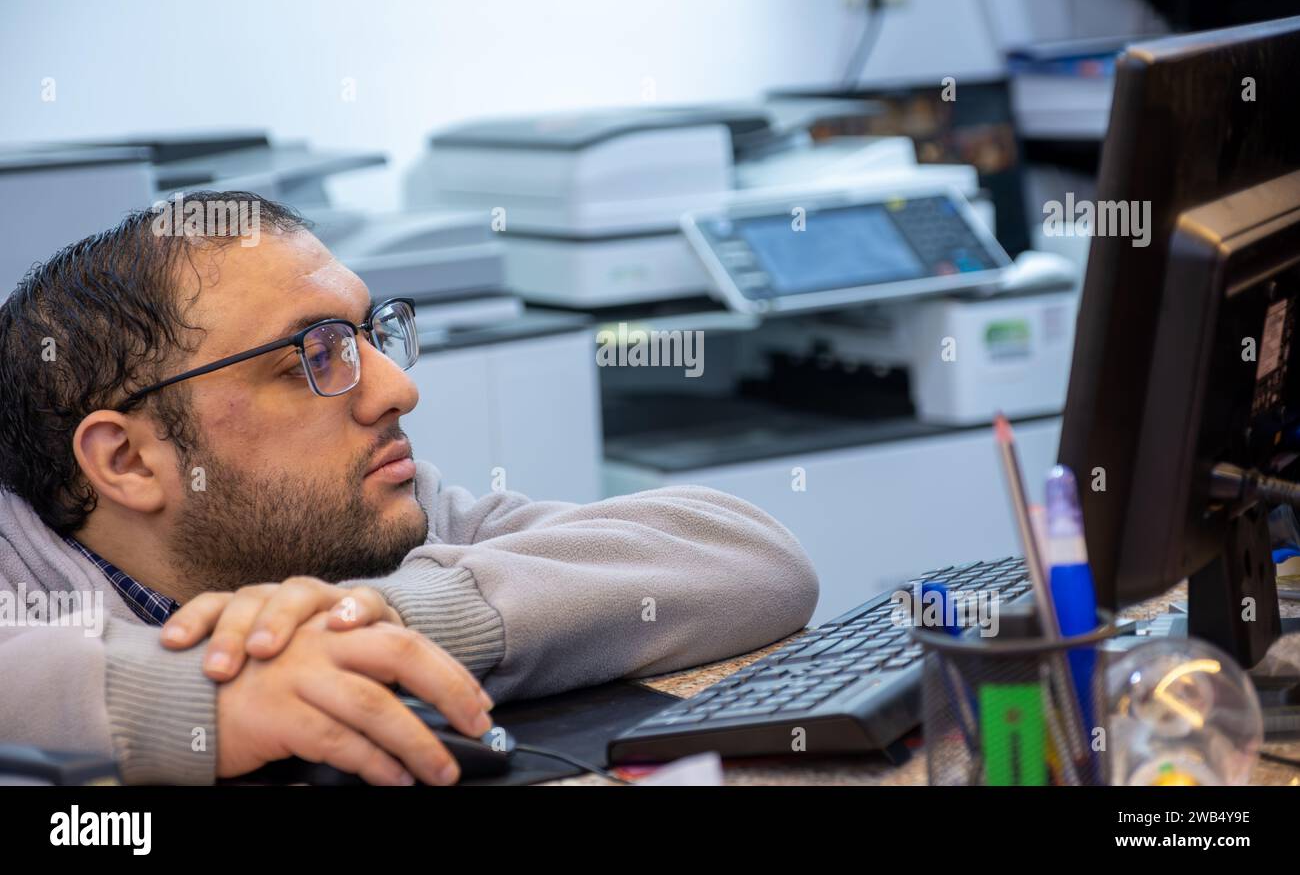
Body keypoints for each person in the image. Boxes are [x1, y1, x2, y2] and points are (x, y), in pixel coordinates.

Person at [0, 192, 818, 785]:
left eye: (367, 334)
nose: (396, 388)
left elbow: (753, 557)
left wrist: (389, 620)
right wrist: (203, 698)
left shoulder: (383, 522)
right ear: (129, 461)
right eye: (313, 356)